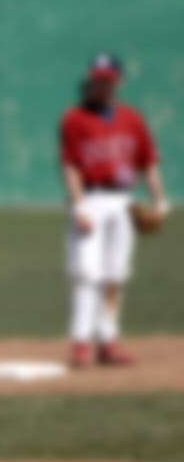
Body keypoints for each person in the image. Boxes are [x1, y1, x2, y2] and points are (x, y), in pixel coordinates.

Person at [59, 54, 169, 367]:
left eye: (106, 79)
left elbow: (148, 162)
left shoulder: (132, 119)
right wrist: (78, 204)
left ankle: (107, 340)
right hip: (91, 200)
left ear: (117, 81)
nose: (100, 84)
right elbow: (71, 166)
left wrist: (160, 201)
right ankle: (81, 342)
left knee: (115, 275)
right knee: (86, 273)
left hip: (124, 202)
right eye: (96, 78)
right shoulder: (75, 118)